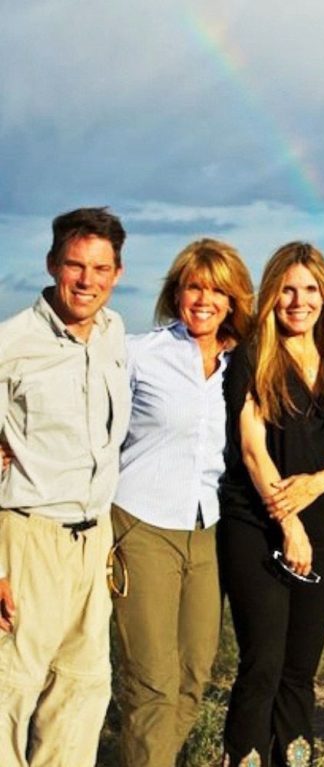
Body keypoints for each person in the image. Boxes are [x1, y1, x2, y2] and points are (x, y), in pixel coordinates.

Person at [219, 242, 324, 766]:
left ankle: (293, 758)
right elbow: (251, 448)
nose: (298, 301)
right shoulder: (252, 356)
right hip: (258, 529)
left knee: (300, 670)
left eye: (310, 290)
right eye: (287, 289)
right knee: (262, 664)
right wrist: (290, 522)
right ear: (271, 295)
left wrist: (318, 483)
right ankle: (243, 758)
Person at [110, 239, 255, 766]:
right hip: (141, 524)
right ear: (177, 292)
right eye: (194, 286)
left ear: (234, 298)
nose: (204, 299)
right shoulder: (139, 353)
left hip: (207, 530)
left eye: (217, 289)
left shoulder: (244, 364)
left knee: (194, 674)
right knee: (153, 681)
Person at [0, 207, 130, 767]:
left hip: (94, 541)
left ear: (117, 272)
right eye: (75, 265)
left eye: (100, 268)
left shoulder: (115, 333)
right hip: (29, 536)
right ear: (52, 265)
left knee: (82, 690)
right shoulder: (12, 343)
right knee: (11, 688)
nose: (87, 281)